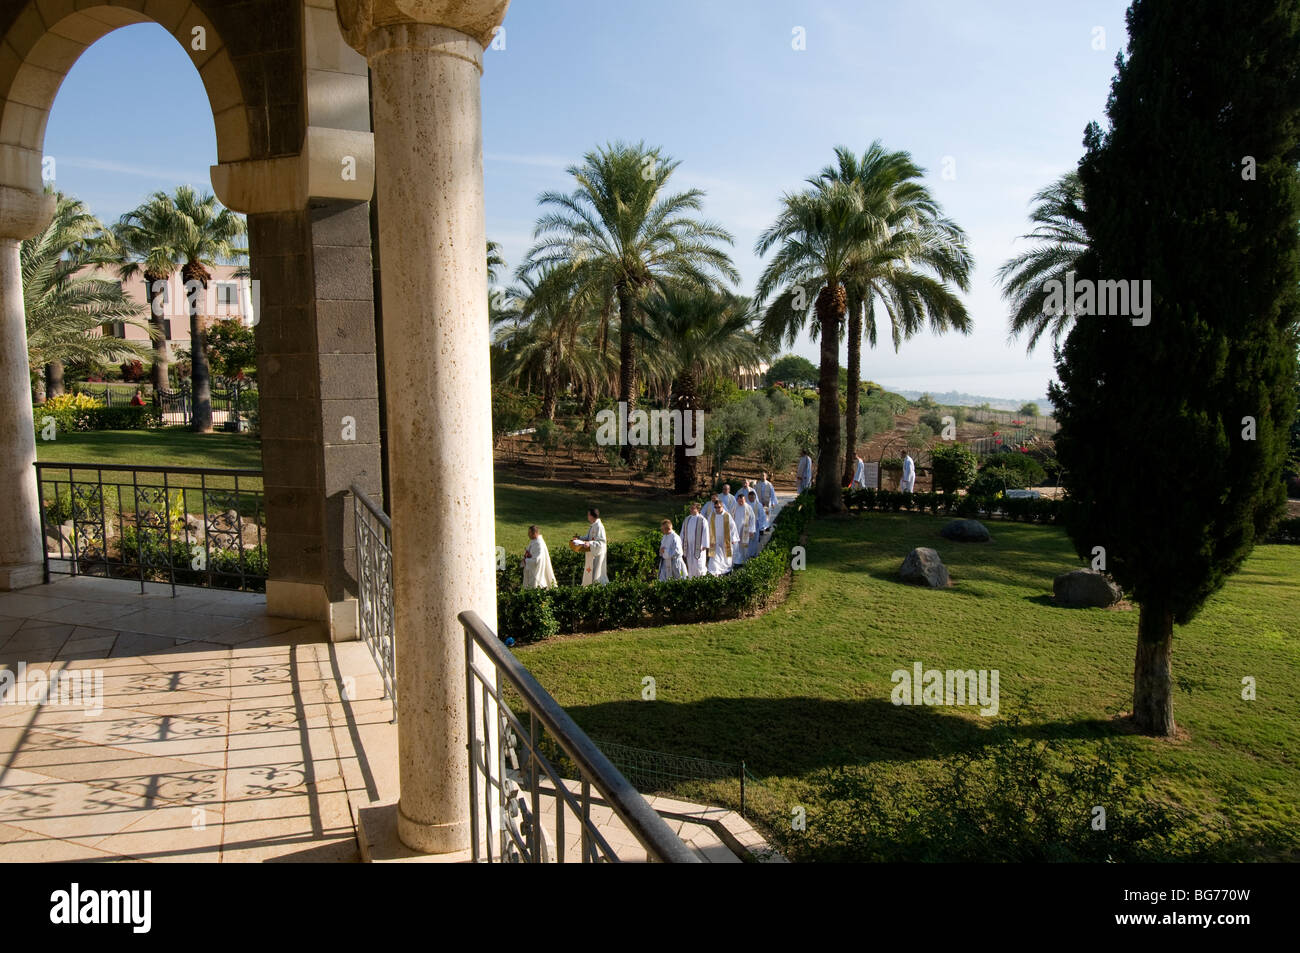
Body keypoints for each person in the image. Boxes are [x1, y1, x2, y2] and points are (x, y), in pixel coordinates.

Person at [573, 508, 608, 585]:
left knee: (596, 575)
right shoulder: (594, 525)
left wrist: (590, 544)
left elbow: (601, 542)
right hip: (592, 554)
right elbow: (589, 537)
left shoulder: (599, 526)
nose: (587, 516)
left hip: (597, 555)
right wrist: (580, 538)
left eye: (588, 515)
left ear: (592, 516)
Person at [680, 502, 710, 578]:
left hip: (699, 546)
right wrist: (681, 543)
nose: (691, 509)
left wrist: (705, 544)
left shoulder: (702, 520)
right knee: (690, 563)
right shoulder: (687, 519)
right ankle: (691, 578)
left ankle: (700, 578)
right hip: (689, 546)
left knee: (699, 564)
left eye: (693, 508)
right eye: (690, 508)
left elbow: (705, 532)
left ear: (698, 509)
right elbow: (682, 532)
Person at [521, 525, 557, 589]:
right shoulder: (533, 541)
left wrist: (526, 560)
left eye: (529, 533)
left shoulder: (539, 544)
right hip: (531, 569)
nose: (528, 535)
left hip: (536, 572)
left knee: (534, 588)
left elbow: (537, 560)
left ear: (535, 533)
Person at [707, 497, 734, 575]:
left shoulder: (727, 515)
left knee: (726, 554)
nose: (717, 509)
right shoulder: (712, 516)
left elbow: (733, 527)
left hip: (725, 538)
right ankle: (715, 569)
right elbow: (707, 526)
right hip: (714, 539)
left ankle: (726, 568)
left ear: (722, 506)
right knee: (714, 555)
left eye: (719, 507)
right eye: (715, 507)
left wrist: (734, 538)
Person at [733, 495, 754, 567]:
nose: (741, 502)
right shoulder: (734, 507)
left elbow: (752, 519)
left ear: (745, 500)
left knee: (744, 546)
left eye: (742, 501)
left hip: (745, 529)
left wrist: (751, 530)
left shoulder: (748, 508)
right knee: (736, 545)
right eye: (739, 501)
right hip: (735, 529)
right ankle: (736, 561)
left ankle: (743, 560)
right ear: (737, 500)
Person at [746, 489, 765, 557]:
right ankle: (748, 554)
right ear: (748, 497)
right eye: (750, 497)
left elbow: (762, 515)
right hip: (747, 524)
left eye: (752, 497)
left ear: (755, 497)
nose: (751, 498)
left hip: (756, 524)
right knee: (748, 540)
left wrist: (762, 527)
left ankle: (754, 553)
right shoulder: (746, 504)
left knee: (755, 540)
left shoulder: (758, 505)